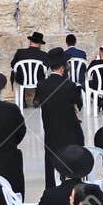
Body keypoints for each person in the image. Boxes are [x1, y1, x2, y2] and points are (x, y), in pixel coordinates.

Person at [36, 48, 85, 188]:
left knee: (50, 160)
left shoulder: (41, 85)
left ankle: (51, 188)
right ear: (63, 67)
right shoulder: (69, 85)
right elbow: (78, 107)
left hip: (51, 131)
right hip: (70, 132)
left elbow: (37, 102)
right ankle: (73, 186)